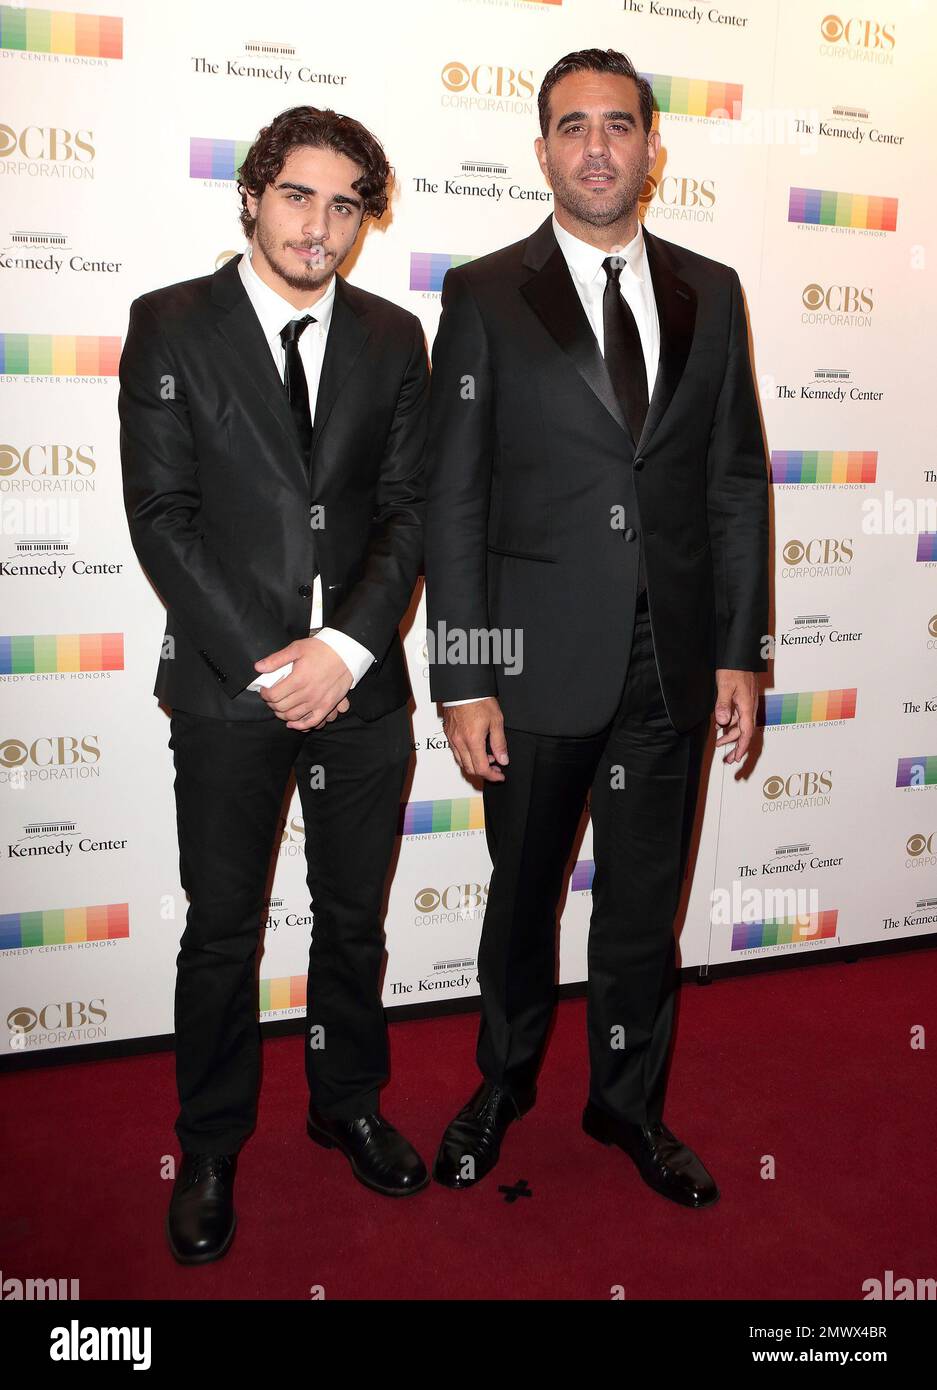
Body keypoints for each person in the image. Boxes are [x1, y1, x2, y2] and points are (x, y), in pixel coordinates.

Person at [424, 49, 770, 1208]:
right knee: (520, 899)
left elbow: (732, 482)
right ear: (541, 152)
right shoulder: (480, 294)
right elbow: (454, 499)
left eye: (618, 124)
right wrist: (463, 675)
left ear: (651, 149)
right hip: (526, 663)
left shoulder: (710, 291)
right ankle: (501, 1087)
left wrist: (738, 649)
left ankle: (626, 1106)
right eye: (572, 126)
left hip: (666, 662)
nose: (597, 146)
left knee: (641, 908)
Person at [119, 105, 430, 1265]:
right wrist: (277, 662)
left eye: (347, 202)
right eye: (298, 194)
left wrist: (343, 649)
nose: (321, 223)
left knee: (353, 919)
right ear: (251, 196)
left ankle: (347, 1100)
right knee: (222, 930)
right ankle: (208, 1142)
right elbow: (163, 520)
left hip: (362, 684)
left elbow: (406, 512)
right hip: (224, 686)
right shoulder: (171, 325)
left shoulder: (397, 338)